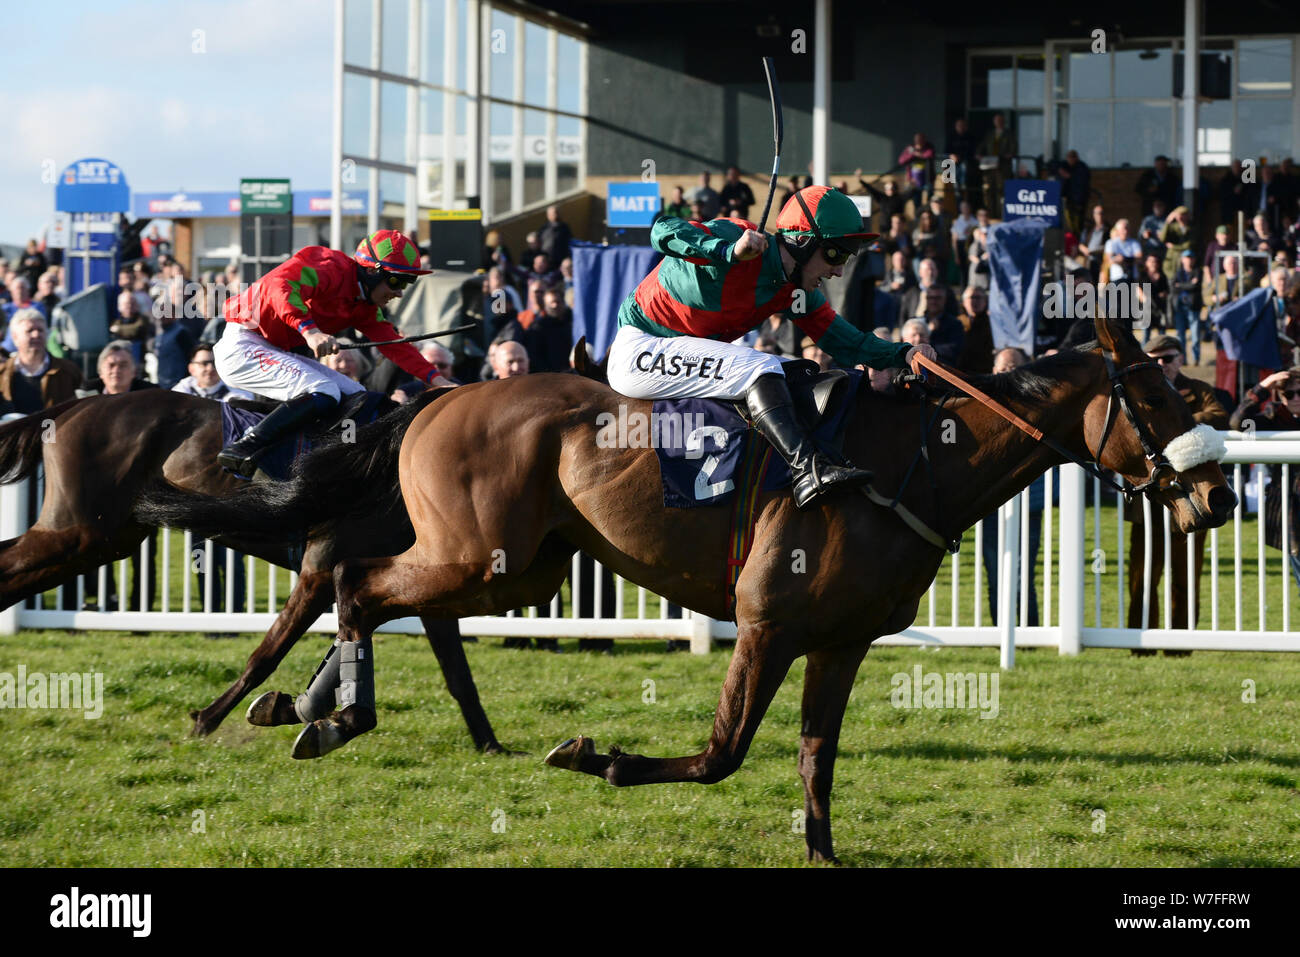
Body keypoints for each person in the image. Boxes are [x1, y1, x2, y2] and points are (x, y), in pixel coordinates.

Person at [606, 186, 936, 509]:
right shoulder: (737, 236)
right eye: (835, 254)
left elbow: (845, 341)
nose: (838, 271)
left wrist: (903, 353)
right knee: (762, 367)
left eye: (846, 259)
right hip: (640, 349)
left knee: (800, 371)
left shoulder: (793, 291)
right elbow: (662, 230)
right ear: (802, 242)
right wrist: (727, 251)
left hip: (677, 354)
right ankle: (807, 471)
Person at [213, 230, 452, 476]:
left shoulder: (365, 308)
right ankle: (245, 446)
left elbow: (395, 345)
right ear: (372, 271)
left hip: (272, 348)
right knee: (324, 390)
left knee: (357, 396)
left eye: (407, 283)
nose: (400, 292)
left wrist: (438, 381)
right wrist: (310, 331)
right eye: (396, 281)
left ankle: (338, 458)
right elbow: (278, 285)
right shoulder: (330, 266)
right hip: (242, 345)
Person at [1127, 335, 1229, 651]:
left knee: (1185, 577)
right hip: (1149, 499)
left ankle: (1181, 644)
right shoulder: (1136, 390)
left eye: (1168, 358)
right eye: (1154, 359)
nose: (1162, 364)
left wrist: (1170, 424)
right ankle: (1139, 642)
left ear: (1180, 359)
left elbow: (1218, 415)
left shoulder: (1198, 389)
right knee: (1142, 576)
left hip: (1192, 496)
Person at [980, 346, 1044, 625]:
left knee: (1024, 572)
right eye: (1003, 368)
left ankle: (1029, 631)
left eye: (1014, 368)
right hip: (991, 505)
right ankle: (1000, 630)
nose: (1008, 373)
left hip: (1030, 503)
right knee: (995, 571)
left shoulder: (1040, 408)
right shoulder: (981, 407)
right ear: (993, 371)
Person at [1231, 365, 1300, 594]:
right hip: (1293, 508)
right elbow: (1238, 423)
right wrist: (1263, 387)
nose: (1296, 398)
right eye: (1289, 393)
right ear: (1280, 396)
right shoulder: (1273, 418)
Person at [0, 310, 82, 416]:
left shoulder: (69, 371)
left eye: (40, 330)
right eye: (30, 330)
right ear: (15, 337)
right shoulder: (2, 373)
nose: (36, 334)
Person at [171, 342, 254, 401]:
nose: (210, 368)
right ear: (191, 369)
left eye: (215, 363)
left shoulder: (237, 390)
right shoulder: (183, 388)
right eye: (204, 363)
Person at [976, 113, 1016, 217]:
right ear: (994, 122)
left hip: (1002, 167)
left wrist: (1007, 155)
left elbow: (1013, 149)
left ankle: (1000, 214)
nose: (998, 122)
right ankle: (990, 213)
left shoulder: (1009, 134)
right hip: (989, 166)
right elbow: (982, 146)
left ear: (1004, 121)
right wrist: (978, 154)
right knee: (989, 190)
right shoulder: (990, 134)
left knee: (1001, 190)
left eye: (1000, 120)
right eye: (997, 120)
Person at [954, 286, 994, 375]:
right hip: (959, 372)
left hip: (985, 373)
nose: (975, 301)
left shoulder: (993, 324)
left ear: (985, 301)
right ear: (964, 302)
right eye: (972, 297)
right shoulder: (956, 322)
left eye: (979, 297)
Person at [1077, 205, 1109, 284]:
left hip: (1101, 262)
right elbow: (1081, 244)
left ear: (1104, 215)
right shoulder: (1088, 229)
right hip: (1088, 261)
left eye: (1101, 213)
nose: (1099, 215)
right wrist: (1084, 249)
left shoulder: (1108, 230)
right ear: (1094, 215)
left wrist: (1093, 251)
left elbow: (1109, 246)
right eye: (1097, 213)